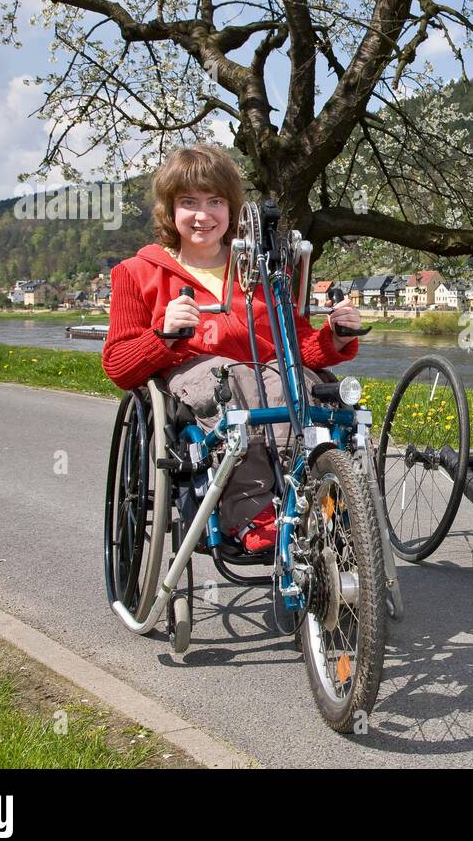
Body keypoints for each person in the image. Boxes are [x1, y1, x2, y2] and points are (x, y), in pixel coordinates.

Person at [101, 145, 363, 553]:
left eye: (215, 202)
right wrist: (164, 335)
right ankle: (251, 512)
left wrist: (337, 337)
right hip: (197, 379)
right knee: (235, 378)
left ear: (232, 210)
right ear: (170, 210)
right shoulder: (137, 273)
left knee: (314, 392)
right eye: (188, 202)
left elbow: (297, 345)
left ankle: (326, 501)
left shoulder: (260, 271)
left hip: (269, 375)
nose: (203, 215)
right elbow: (118, 364)